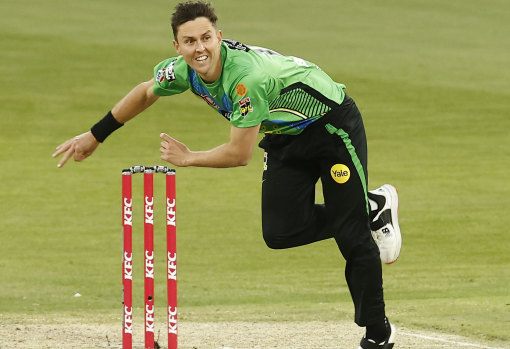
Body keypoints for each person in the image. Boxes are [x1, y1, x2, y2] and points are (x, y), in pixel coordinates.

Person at [52, 1, 402, 348]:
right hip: (284, 135)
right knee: (281, 232)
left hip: (331, 127)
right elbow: (146, 92)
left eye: (206, 38)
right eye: (189, 41)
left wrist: (189, 158)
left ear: (219, 36)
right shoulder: (184, 70)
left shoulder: (246, 80)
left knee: (352, 236)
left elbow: (239, 154)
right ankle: (368, 206)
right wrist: (96, 134)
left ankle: (377, 333)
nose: (199, 48)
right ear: (178, 47)